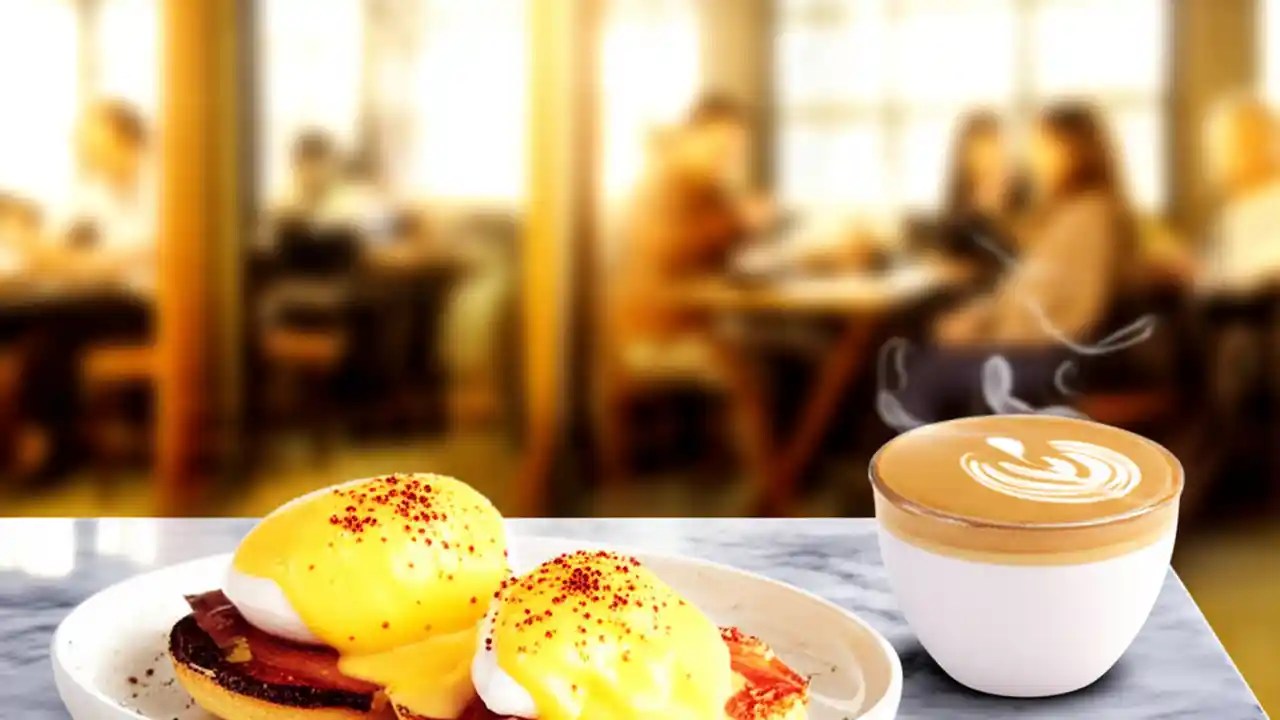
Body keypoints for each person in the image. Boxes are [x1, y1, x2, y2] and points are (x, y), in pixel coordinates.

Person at [889, 102, 1138, 423]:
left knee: (923, 377)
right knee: (921, 361)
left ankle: (913, 470)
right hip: (1032, 347)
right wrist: (974, 326)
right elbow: (1022, 293)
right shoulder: (1068, 214)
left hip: (1047, 358)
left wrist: (983, 334)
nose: (1033, 158)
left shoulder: (1089, 218)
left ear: (1071, 149)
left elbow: (1068, 315)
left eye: (1042, 146)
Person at [52, 99, 154, 277]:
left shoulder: (163, 186)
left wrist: (66, 262)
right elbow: (58, 245)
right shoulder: (95, 190)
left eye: (90, 139)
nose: (81, 148)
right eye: (79, 140)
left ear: (126, 140)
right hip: (114, 293)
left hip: (154, 298)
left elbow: (138, 255)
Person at [932, 110, 1019, 288]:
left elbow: (1019, 259)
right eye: (981, 146)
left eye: (994, 143)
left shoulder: (1019, 196)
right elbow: (948, 258)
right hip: (967, 294)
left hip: (1006, 293)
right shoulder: (960, 206)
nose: (989, 155)